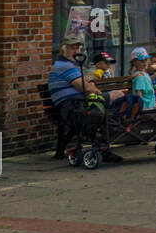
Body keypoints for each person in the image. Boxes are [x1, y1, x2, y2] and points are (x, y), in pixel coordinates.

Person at [48, 35, 121, 163]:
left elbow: (86, 84)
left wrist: (91, 87)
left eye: (77, 48)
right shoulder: (65, 66)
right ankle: (115, 133)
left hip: (76, 103)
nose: (76, 51)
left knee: (107, 105)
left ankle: (106, 141)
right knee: (118, 95)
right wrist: (95, 90)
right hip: (74, 105)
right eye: (72, 48)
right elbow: (85, 87)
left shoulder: (66, 65)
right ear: (63, 50)